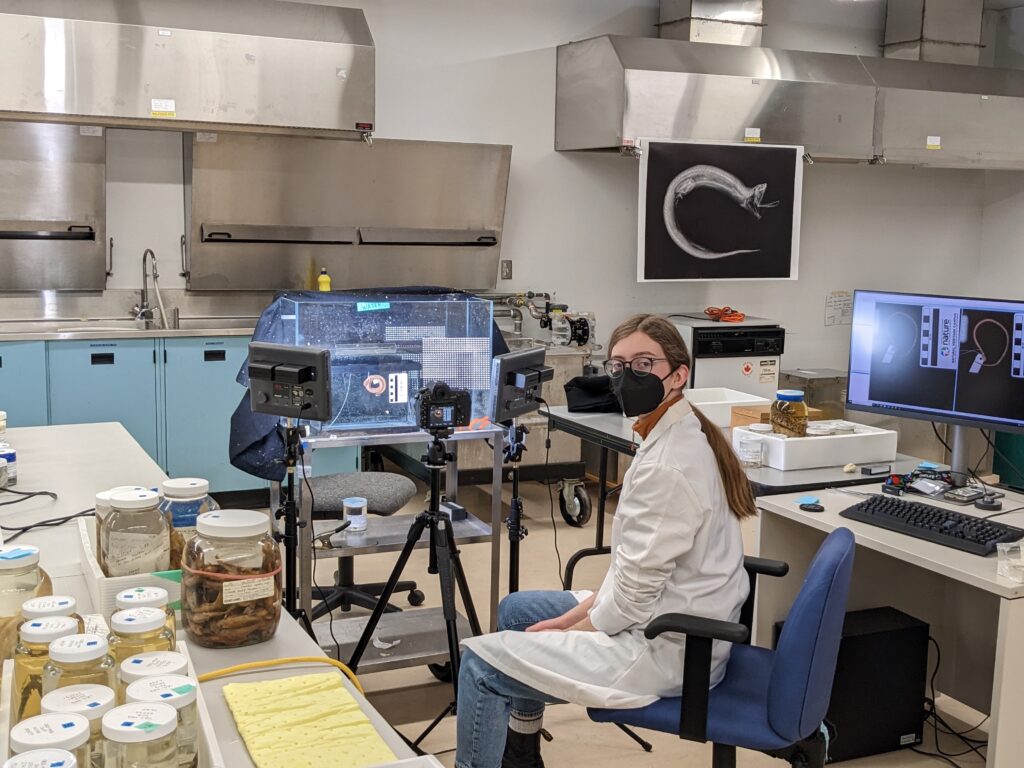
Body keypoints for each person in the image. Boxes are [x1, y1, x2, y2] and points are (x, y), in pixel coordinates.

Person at [456, 313, 758, 768]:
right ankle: (521, 753)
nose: (625, 376)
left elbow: (632, 603)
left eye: (643, 363)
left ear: (678, 374)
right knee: (516, 612)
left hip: (667, 647)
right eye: (617, 366)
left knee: (480, 666)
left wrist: (567, 630)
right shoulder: (676, 431)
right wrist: (570, 619)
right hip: (665, 614)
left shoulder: (669, 465)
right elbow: (633, 577)